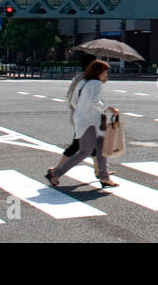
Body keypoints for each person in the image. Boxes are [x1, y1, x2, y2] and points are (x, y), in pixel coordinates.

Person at [46, 59, 120, 189]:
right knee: (84, 152)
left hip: (81, 119)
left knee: (101, 150)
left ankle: (104, 177)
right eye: (105, 72)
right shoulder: (97, 84)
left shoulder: (83, 82)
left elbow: (74, 102)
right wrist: (109, 108)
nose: (106, 75)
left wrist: (83, 110)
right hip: (90, 122)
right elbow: (95, 101)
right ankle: (56, 173)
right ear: (99, 72)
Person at [47, 55, 94, 174]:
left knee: (94, 146)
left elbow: (71, 97)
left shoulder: (79, 77)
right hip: (84, 117)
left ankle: (101, 172)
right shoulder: (87, 79)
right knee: (77, 146)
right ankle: (56, 170)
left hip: (80, 116)